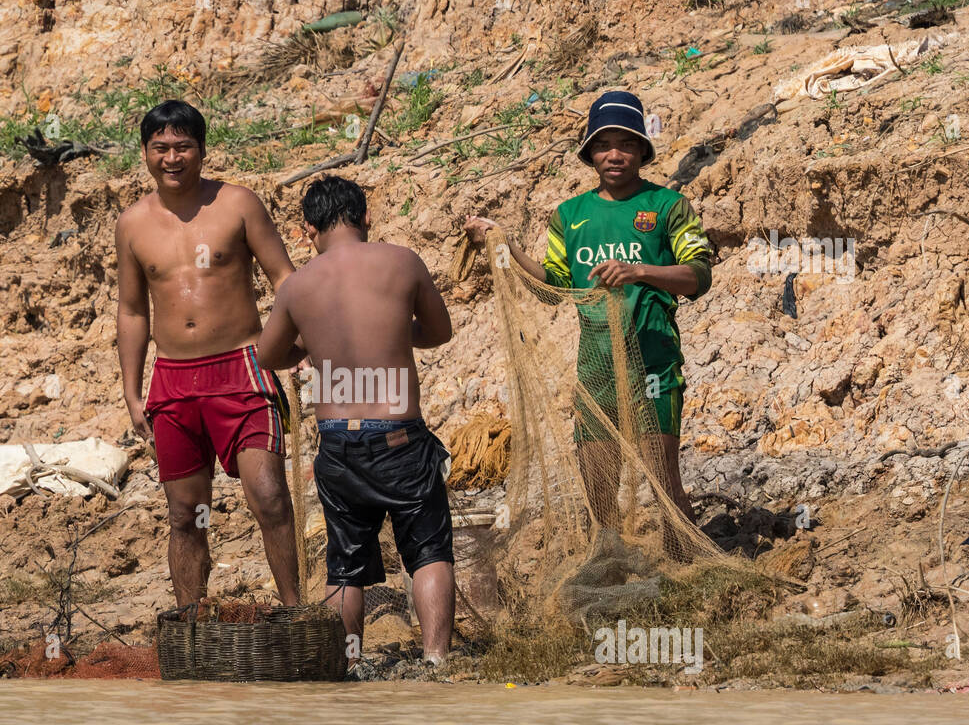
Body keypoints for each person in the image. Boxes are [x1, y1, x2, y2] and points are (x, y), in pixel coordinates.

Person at [464, 90, 714, 552]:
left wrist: (639, 271)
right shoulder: (569, 215)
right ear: (589, 153)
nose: (614, 155)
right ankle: (611, 568)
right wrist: (502, 242)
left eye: (625, 143)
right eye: (603, 145)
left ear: (642, 148)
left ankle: (687, 568)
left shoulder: (666, 207)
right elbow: (550, 285)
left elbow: (699, 276)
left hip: (655, 361)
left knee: (665, 487)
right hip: (596, 366)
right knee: (600, 492)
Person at [256, 175, 456, 665]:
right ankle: (436, 661)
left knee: (344, 565)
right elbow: (440, 330)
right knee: (428, 551)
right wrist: (391, 331)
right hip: (400, 438)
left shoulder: (299, 286)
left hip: (339, 445)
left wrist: (313, 346)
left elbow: (268, 355)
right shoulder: (402, 261)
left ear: (308, 230)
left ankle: (347, 665)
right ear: (367, 217)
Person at [115, 100, 300, 607]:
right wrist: (132, 394)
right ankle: (192, 627)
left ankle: (294, 614)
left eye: (182, 147)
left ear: (201, 150)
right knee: (185, 514)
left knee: (270, 499)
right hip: (173, 379)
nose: (171, 158)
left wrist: (300, 341)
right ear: (145, 153)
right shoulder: (132, 224)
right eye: (160, 148)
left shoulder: (237, 203)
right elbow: (132, 312)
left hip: (242, 368)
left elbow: (284, 279)